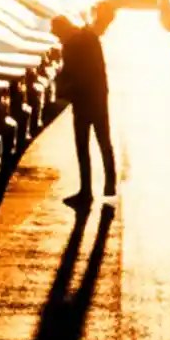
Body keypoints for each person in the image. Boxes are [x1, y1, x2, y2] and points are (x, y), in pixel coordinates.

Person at [52, 15, 116, 207]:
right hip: (99, 97)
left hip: (83, 101)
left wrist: (62, 87)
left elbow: (73, 74)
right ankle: (110, 184)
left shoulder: (71, 46)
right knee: (104, 142)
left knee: (83, 147)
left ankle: (86, 191)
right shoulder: (90, 37)